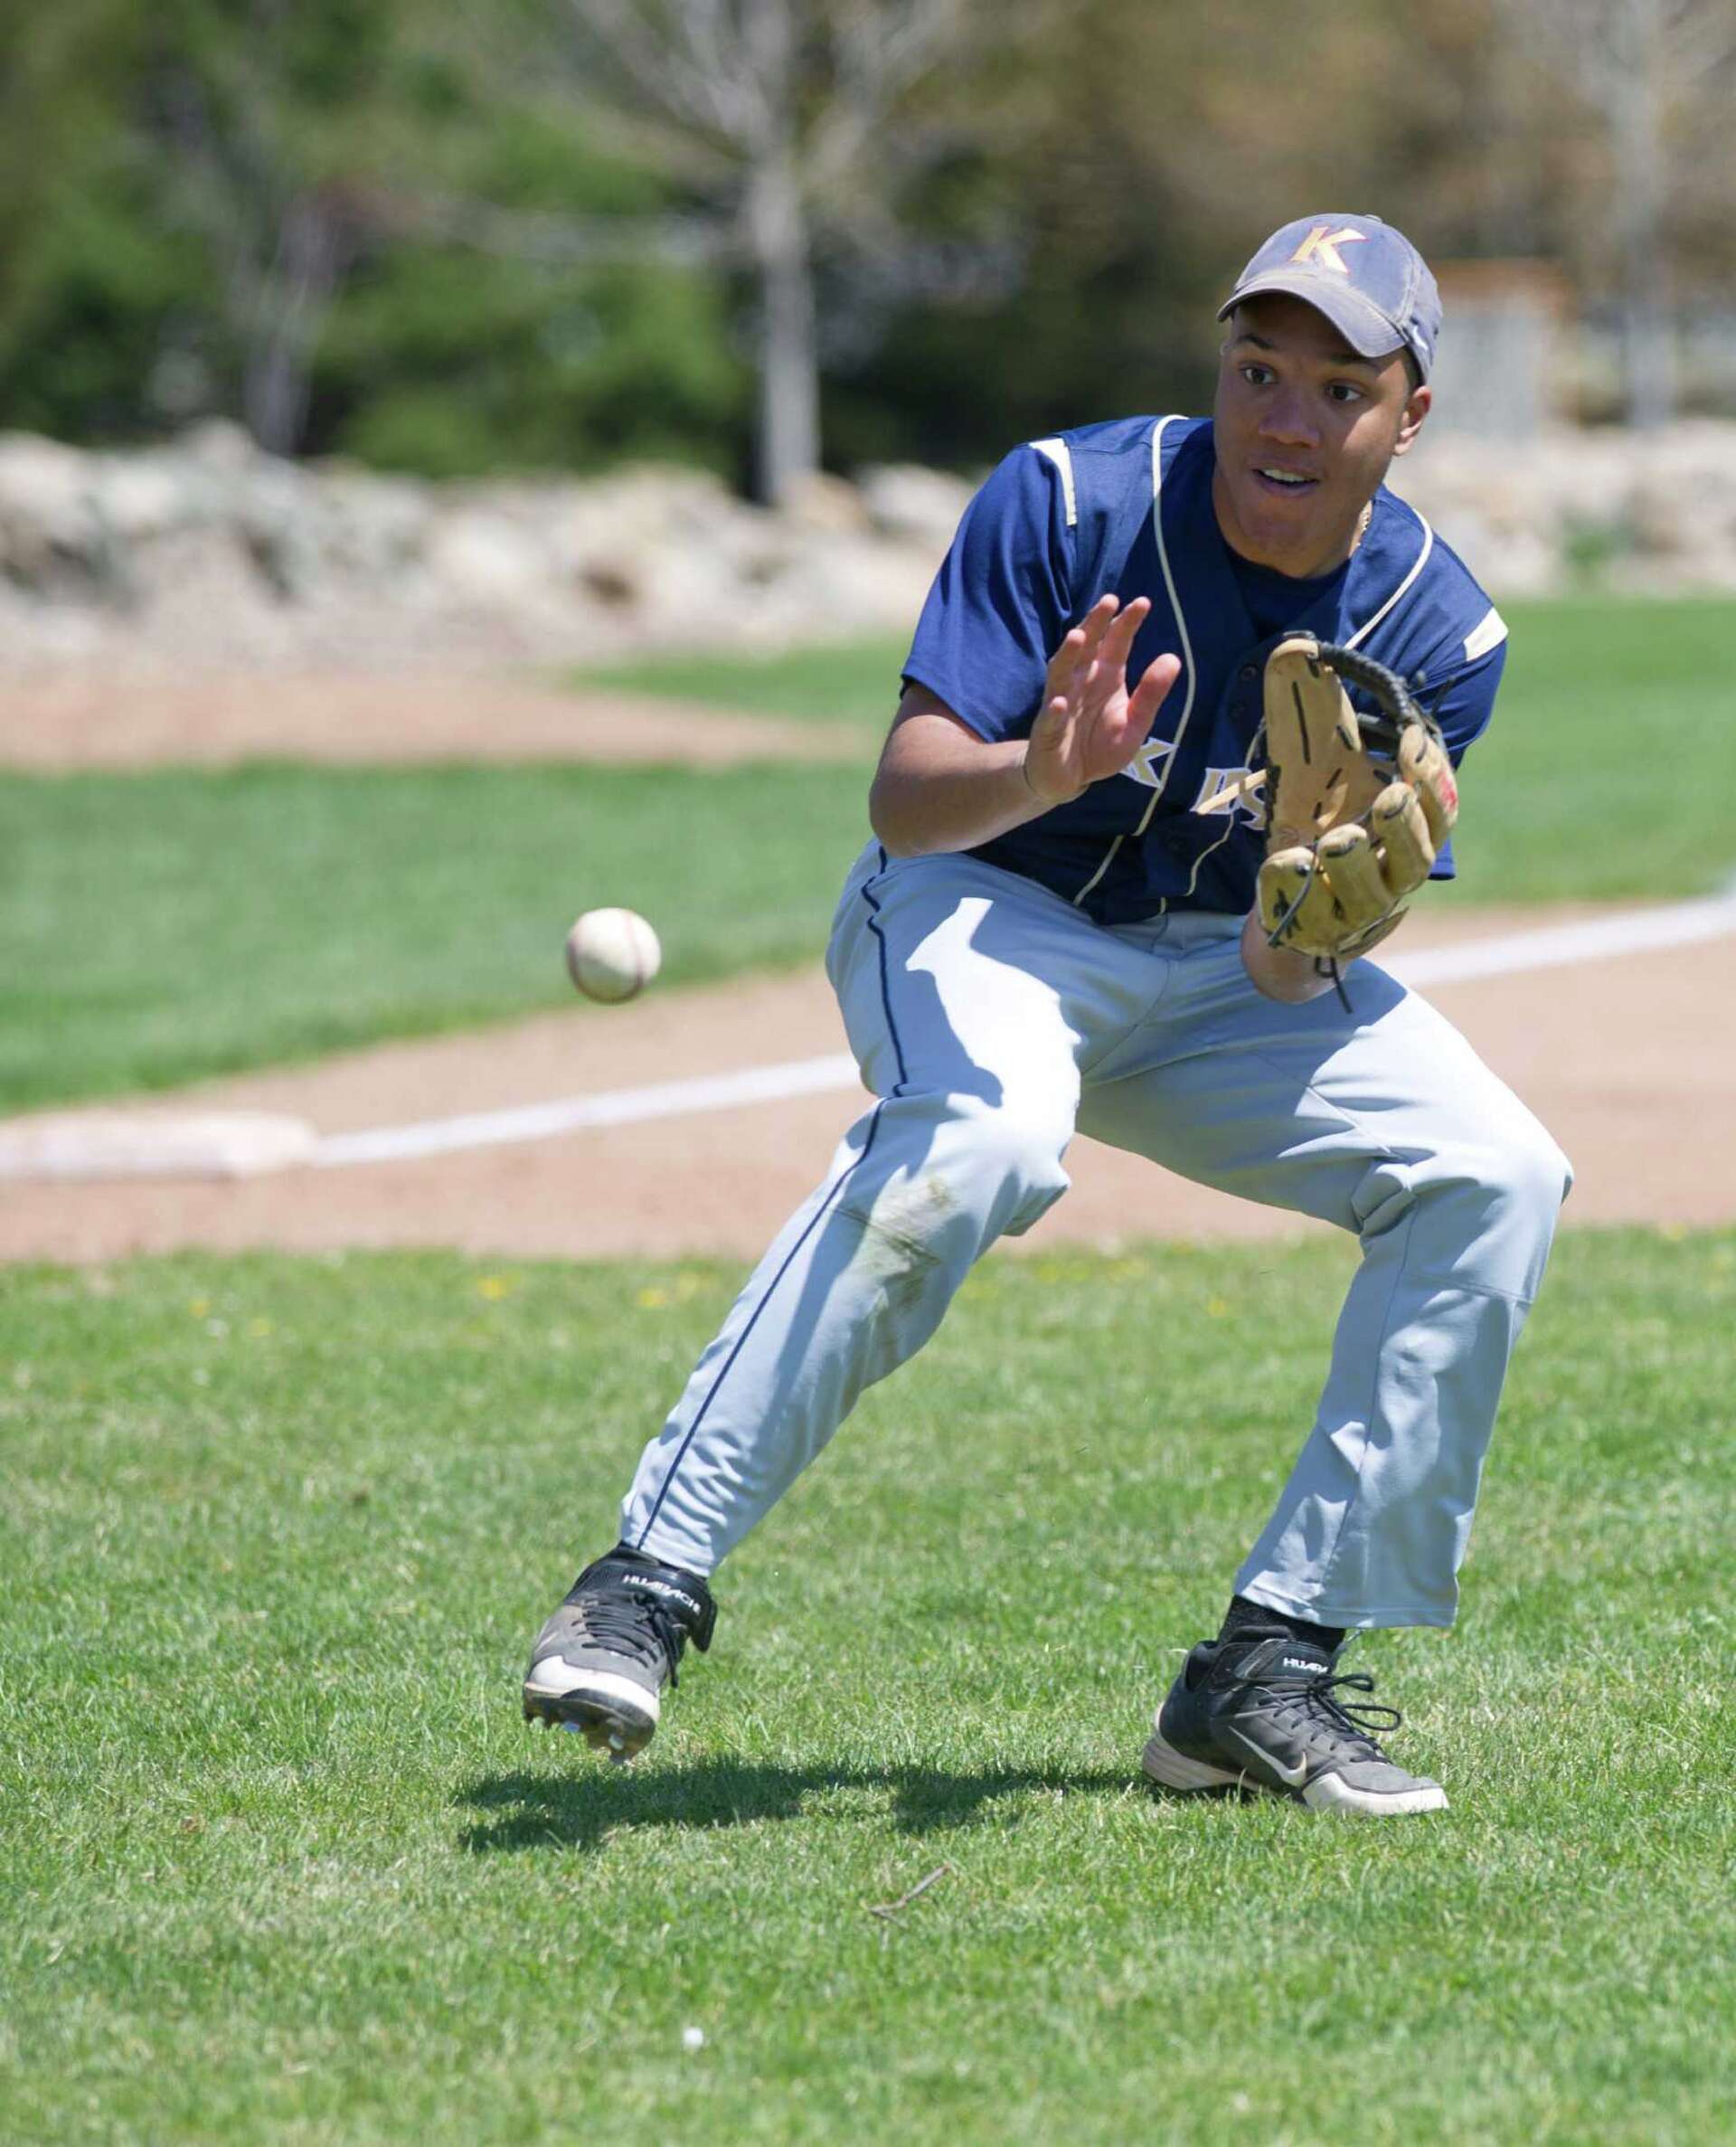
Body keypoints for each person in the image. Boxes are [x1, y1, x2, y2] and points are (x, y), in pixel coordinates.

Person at [523, 213, 1571, 1817]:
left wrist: (1313, 909)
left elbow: (1295, 973)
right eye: (1257, 370)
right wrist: (1042, 770)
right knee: (984, 1139)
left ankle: (1264, 1668)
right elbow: (905, 797)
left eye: (1336, 386)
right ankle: (644, 1580)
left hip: (1225, 960)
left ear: (1409, 415)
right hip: (982, 903)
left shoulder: (1440, 631)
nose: (1285, 419)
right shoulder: (1070, 501)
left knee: (1494, 1172)